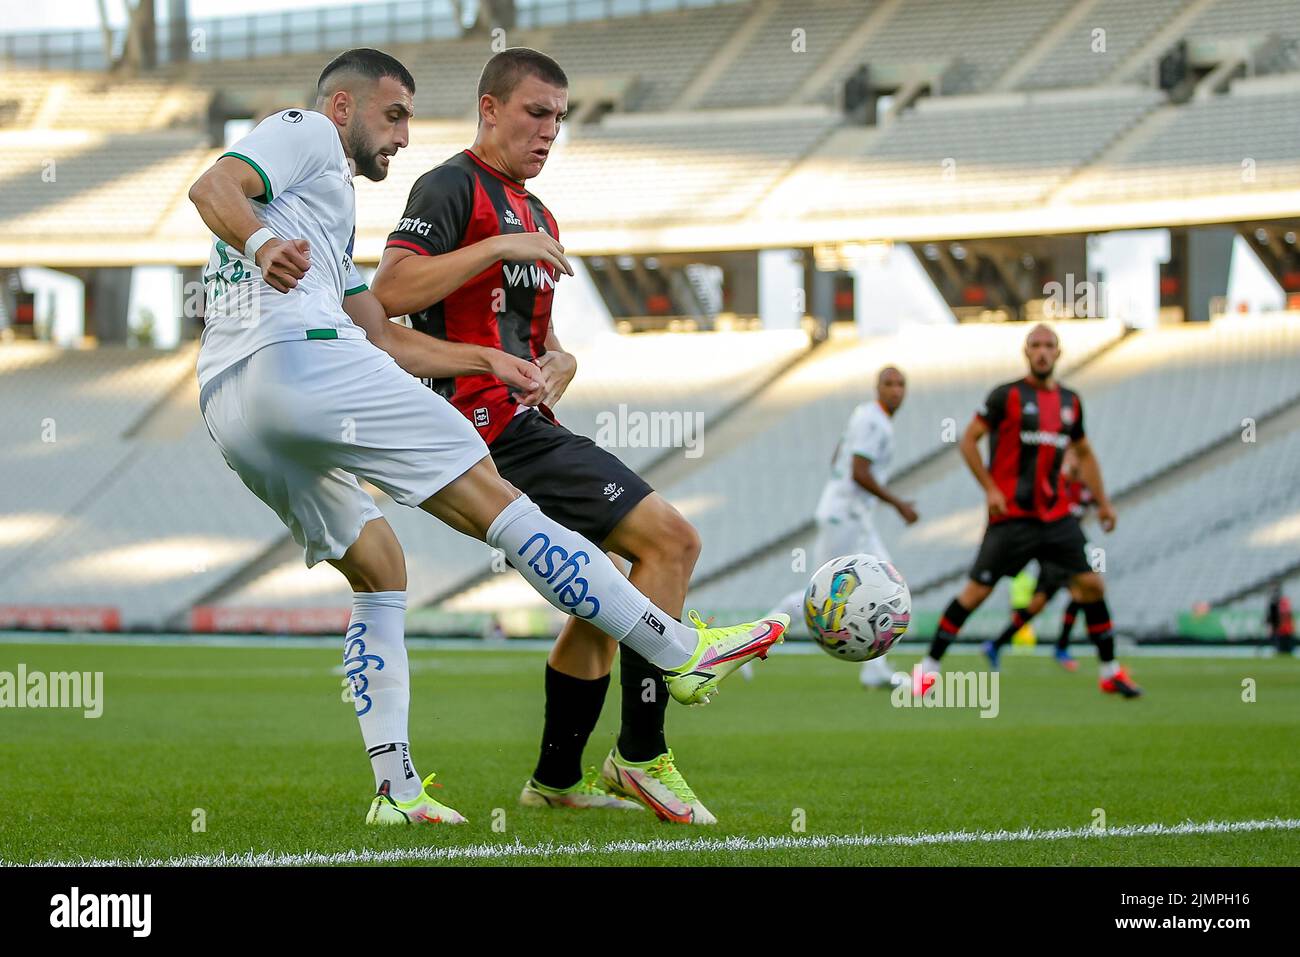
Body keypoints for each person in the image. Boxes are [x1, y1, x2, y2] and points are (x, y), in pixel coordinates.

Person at [188, 47, 788, 827]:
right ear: (343, 106)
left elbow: (385, 336)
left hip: (233, 404)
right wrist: (262, 245)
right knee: (500, 502)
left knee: (380, 567)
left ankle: (397, 791)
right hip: (298, 361)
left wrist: (490, 359)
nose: (403, 137)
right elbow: (213, 186)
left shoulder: (330, 225)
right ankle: (677, 649)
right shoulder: (306, 132)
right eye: (393, 114)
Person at [372, 47, 750, 825]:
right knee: (671, 544)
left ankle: (554, 776)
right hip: (482, 425)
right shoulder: (449, 186)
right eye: (536, 113)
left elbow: (534, 343)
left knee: (607, 592)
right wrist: (495, 246)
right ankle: (641, 757)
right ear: (490, 108)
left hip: (528, 416)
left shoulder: (540, 215)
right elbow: (390, 293)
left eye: (559, 119)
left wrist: (561, 363)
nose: (550, 132)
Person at [916, 324, 1141, 698]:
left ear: (1058, 353)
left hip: (1056, 517)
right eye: (1035, 345)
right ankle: (927, 670)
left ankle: (1110, 671)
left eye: (1048, 345)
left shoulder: (1071, 402)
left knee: (1092, 584)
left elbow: (1084, 453)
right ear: (1026, 352)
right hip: (1012, 518)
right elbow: (969, 440)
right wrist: (990, 488)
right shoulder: (1006, 396)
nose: (1042, 352)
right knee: (976, 593)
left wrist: (1103, 503)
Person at [764, 366, 917, 689]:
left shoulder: (864, 415)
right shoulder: (875, 421)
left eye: (900, 384)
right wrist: (898, 503)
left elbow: (839, 457)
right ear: (878, 388)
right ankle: (756, 642)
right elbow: (859, 471)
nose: (895, 390)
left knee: (888, 585)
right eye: (889, 384)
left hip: (853, 515)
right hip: (845, 517)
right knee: (817, 590)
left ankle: (874, 670)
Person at [982, 446, 1095, 672]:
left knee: (1037, 605)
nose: (1077, 463)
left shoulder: (1084, 490)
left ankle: (996, 644)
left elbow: (1088, 511)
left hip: (1067, 553)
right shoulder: (1056, 483)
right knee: (1081, 593)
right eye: (1074, 457)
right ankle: (1061, 648)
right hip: (1053, 553)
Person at [1267, 582, 1294, 656]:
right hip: (1280, 630)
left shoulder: (1283, 601)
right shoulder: (1275, 603)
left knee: (1286, 650)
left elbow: (1285, 614)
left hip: (1285, 630)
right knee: (1280, 649)